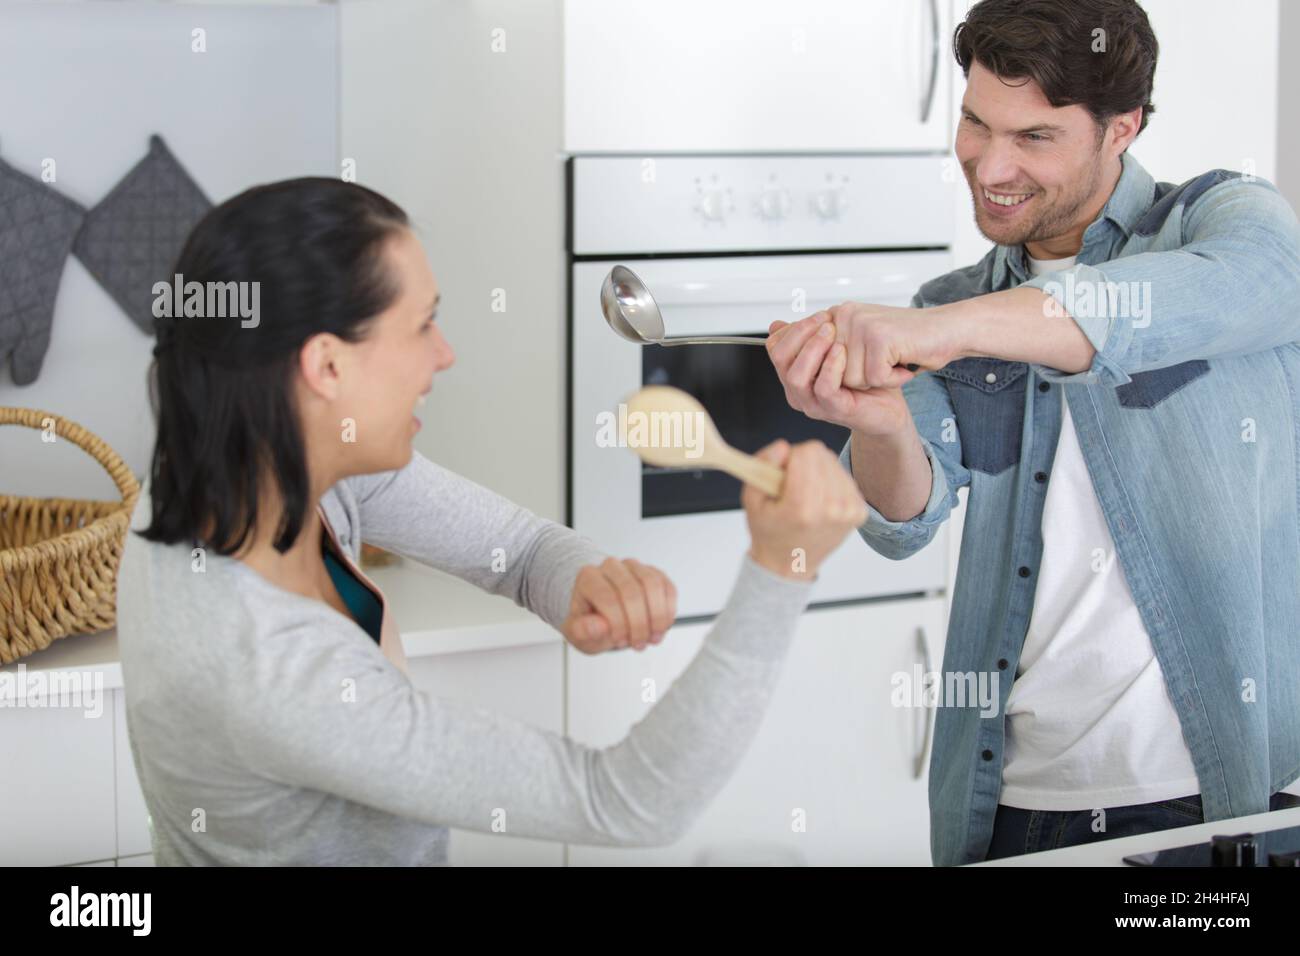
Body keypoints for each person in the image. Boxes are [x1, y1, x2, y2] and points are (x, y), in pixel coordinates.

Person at [115, 177, 867, 865]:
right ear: (327, 367)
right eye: (422, 326)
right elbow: (628, 803)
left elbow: (520, 550)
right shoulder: (272, 675)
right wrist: (781, 569)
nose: (444, 356)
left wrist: (575, 582)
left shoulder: (249, 469)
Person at [766, 0, 1300, 865]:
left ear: (1120, 127)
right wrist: (878, 420)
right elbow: (901, 521)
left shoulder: (1221, 225)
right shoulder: (954, 305)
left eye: (1035, 138)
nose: (991, 164)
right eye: (977, 122)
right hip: (1014, 805)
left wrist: (949, 331)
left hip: (1212, 802)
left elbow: (1236, 288)